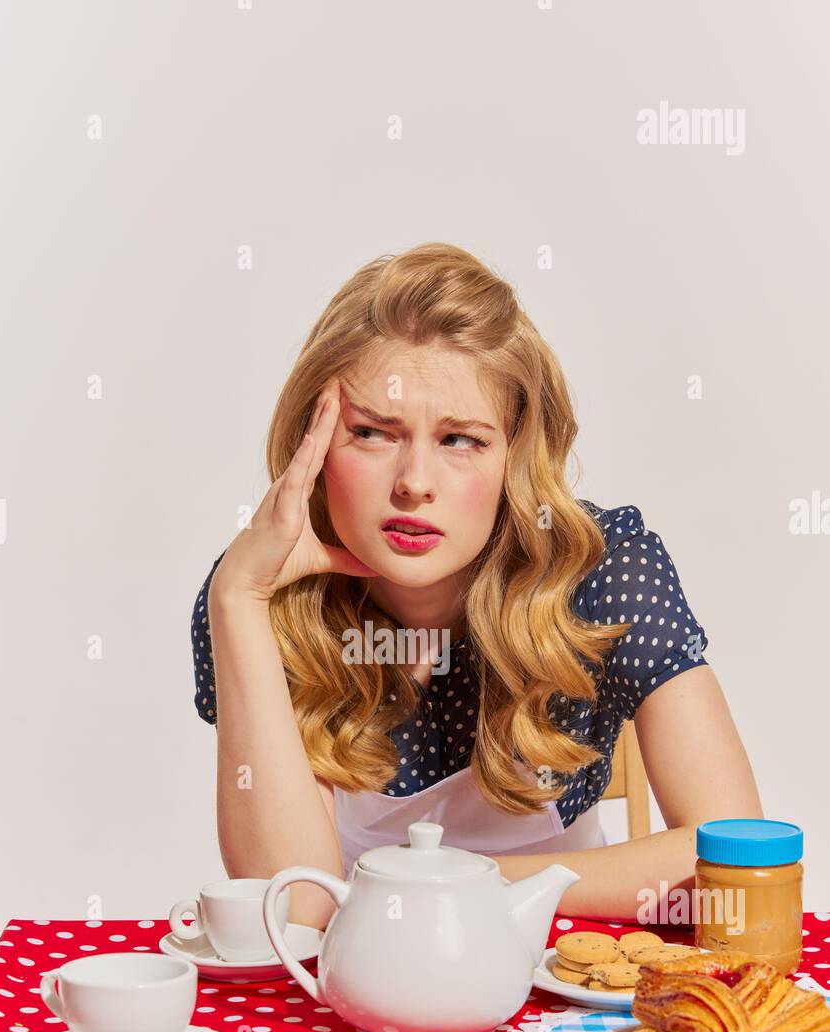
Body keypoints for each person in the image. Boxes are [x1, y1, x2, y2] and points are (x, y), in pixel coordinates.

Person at [191, 242, 762, 930]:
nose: (414, 483)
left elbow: (736, 868)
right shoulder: (257, 596)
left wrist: (446, 882)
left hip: (559, 972)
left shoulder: (604, 571)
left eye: (460, 440)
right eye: (372, 432)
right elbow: (297, 907)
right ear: (310, 446)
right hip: (362, 984)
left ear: (514, 458)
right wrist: (237, 600)